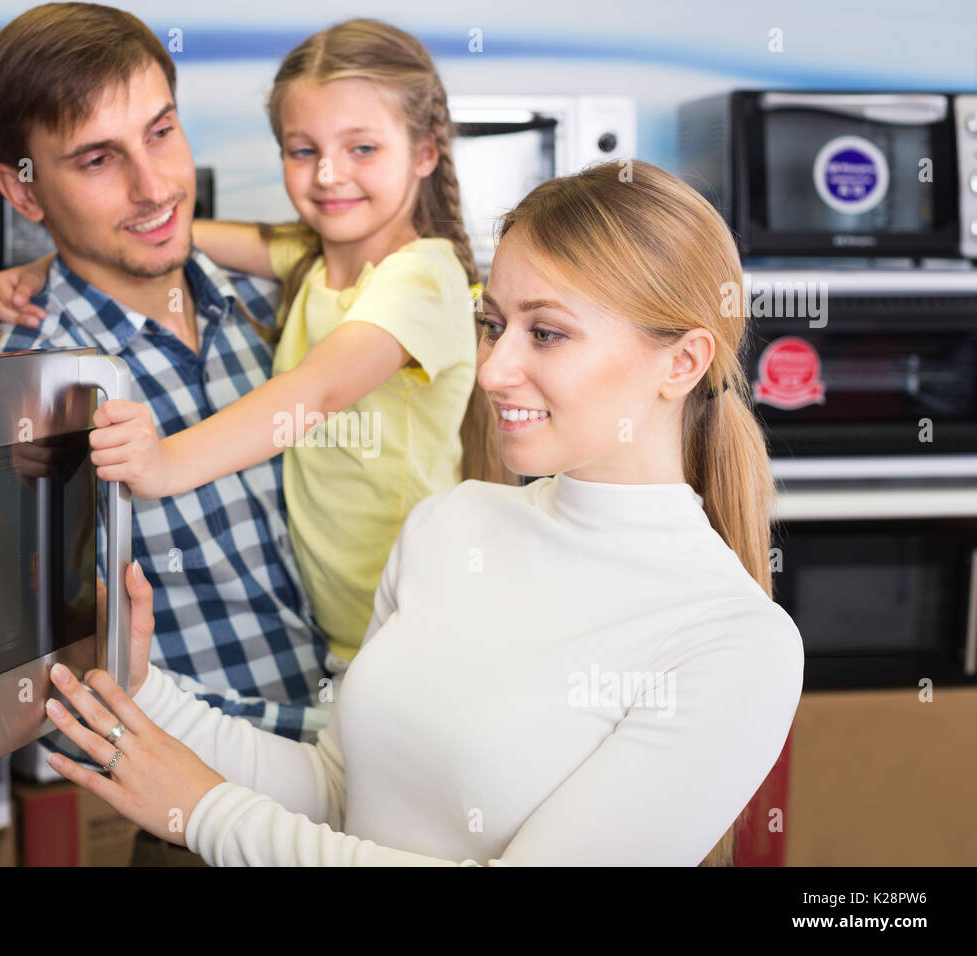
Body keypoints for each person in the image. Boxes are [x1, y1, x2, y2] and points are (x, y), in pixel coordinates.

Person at [40, 159, 806, 866]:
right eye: (493, 324)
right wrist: (142, 690)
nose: (495, 370)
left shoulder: (735, 645)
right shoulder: (452, 525)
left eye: (546, 333)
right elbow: (338, 795)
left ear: (682, 362)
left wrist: (205, 813)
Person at [0, 18, 512, 676]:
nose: (153, 186)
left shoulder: (334, 291)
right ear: (23, 191)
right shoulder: (24, 389)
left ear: (424, 153)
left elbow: (314, 388)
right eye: (97, 159)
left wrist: (165, 464)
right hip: (256, 735)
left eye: (161, 133)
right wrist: (42, 262)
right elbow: (71, 697)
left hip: (409, 650)